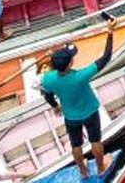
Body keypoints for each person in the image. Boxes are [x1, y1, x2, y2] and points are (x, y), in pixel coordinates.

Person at [41, 19, 117, 180]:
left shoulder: (48, 78)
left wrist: (55, 106)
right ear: (69, 64)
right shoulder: (80, 76)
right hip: (89, 112)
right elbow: (106, 58)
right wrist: (109, 32)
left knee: (76, 145)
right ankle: (101, 167)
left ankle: (83, 171)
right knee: (95, 140)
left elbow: (46, 94)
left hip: (71, 116)